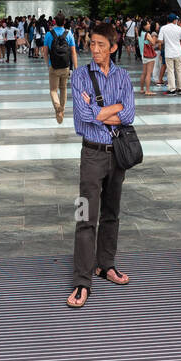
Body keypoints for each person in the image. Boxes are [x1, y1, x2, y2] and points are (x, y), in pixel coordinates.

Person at [66, 23, 136, 309]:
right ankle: (83, 280)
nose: (94, 49)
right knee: (86, 218)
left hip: (116, 153)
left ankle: (105, 264)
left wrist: (99, 112)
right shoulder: (80, 75)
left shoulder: (122, 76)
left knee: (111, 214)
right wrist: (113, 109)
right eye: (91, 44)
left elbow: (129, 114)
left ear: (113, 48)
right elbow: (82, 116)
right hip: (92, 155)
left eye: (100, 45)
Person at [45, 16, 77, 124]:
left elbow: (45, 52)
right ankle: (61, 111)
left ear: (54, 22)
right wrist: (76, 68)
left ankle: (57, 106)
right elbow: (73, 53)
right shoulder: (69, 34)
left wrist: (47, 64)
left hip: (53, 66)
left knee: (53, 90)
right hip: (65, 66)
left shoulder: (49, 34)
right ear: (64, 22)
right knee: (63, 88)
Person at [157, 13, 181, 95]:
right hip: (178, 53)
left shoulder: (163, 28)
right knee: (179, 70)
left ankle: (172, 89)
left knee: (170, 71)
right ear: (174, 20)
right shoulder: (180, 29)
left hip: (169, 53)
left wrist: (166, 41)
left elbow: (160, 40)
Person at [138, 19, 158, 95]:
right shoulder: (147, 34)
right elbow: (153, 43)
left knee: (144, 73)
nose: (149, 25)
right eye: (148, 24)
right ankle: (148, 91)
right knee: (149, 73)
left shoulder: (140, 34)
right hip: (149, 55)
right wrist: (154, 38)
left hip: (143, 55)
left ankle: (142, 89)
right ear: (144, 26)